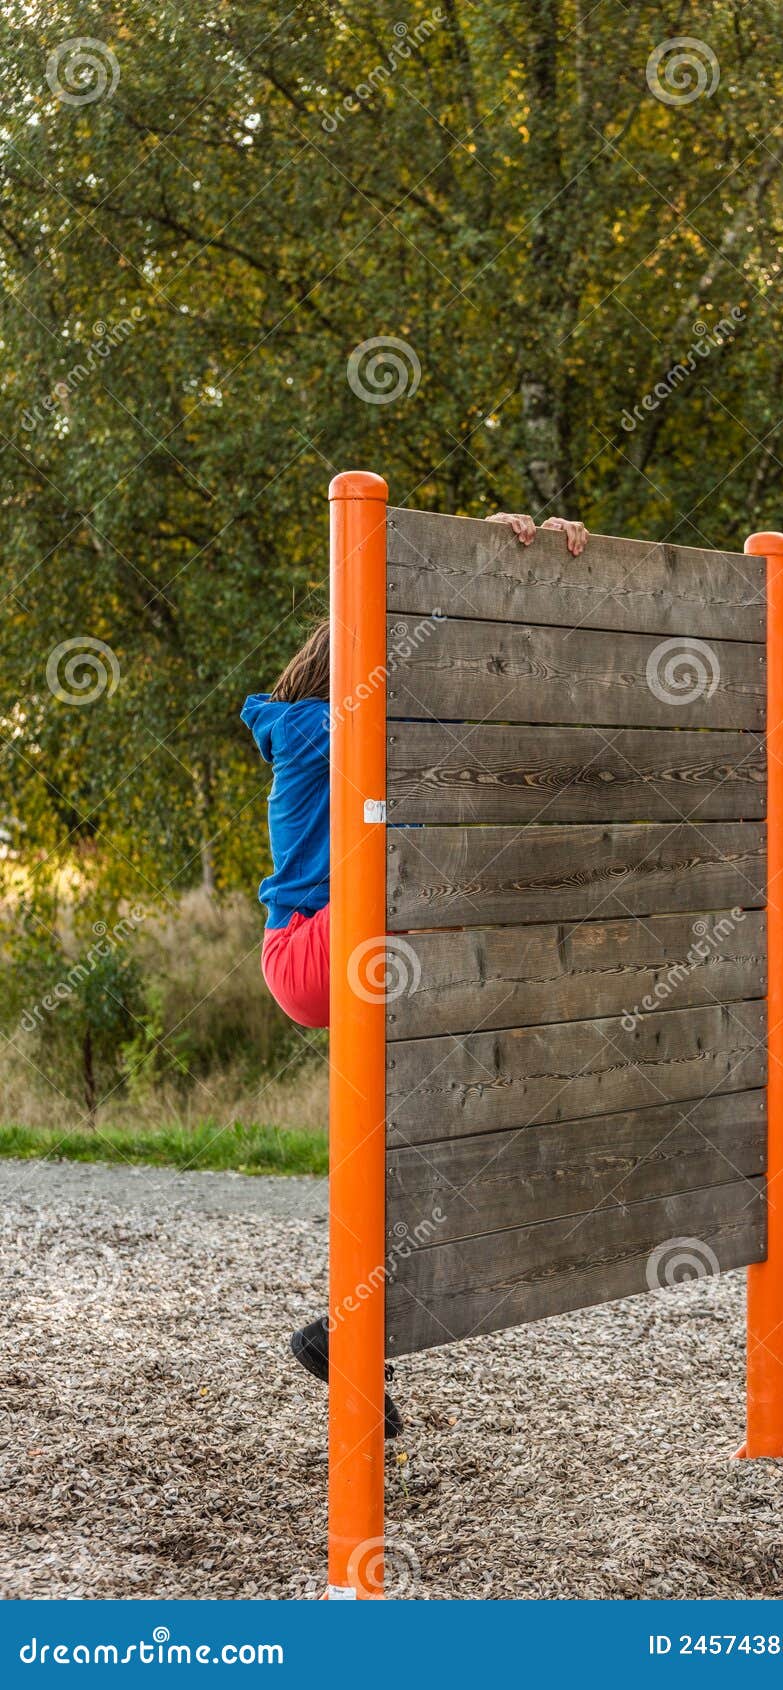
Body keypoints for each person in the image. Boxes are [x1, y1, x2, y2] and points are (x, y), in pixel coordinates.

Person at [241, 510, 589, 1430]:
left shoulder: (385, 735)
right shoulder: (314, 732)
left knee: (430, 1132)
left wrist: (524, 569)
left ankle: (355, 1333)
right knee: (441, 892)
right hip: (314, 947)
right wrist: (470, 569)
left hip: (359, 944)